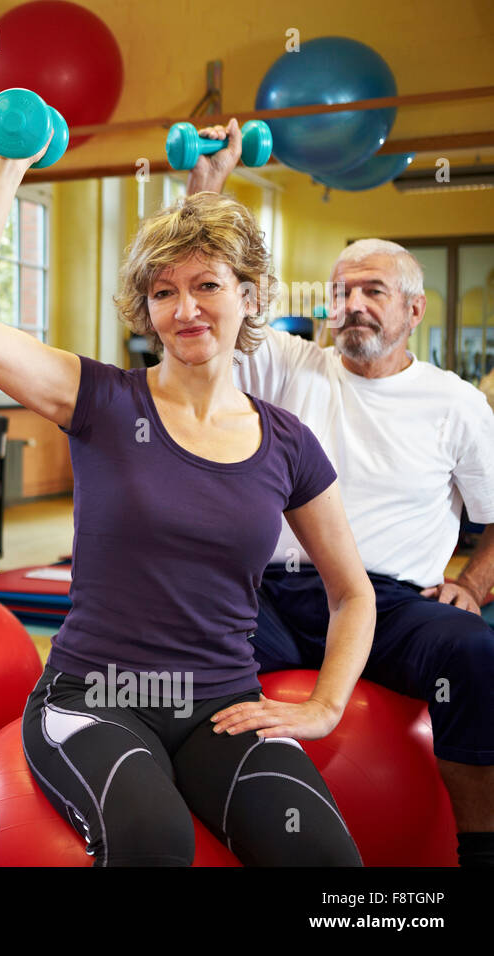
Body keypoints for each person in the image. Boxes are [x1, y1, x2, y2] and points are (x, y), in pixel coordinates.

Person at [0, 139, 376, 866]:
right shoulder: (102, 400)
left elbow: (352, 593)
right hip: (93, 697)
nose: (186, 309)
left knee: (326, 859)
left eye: (207, 285)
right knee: (154, 842)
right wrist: (10, 166)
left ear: (250, 297)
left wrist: (325, 705)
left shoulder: (286, 443)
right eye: (164, 292)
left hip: (222, 708)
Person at [190, 122, 494, 868]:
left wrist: (471, 584)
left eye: (373, 291)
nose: (352, 304)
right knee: (185, 655)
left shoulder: (457, 404)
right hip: (271, 593)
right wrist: (208, 182)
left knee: (477, 654)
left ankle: (480, 849)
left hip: (388, 606)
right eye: (340, 291)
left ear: (412, 311)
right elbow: (208, 288)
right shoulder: (292, 364)